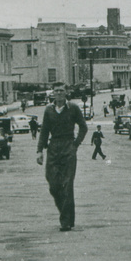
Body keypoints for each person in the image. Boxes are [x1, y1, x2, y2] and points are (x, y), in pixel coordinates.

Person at [36, 86, 88, 232]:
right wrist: (39, 151)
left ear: (66, 93)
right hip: (53, 147)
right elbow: (44, 131)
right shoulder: (48, 110)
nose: (58, 93)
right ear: (53, 93)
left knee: (67, 184)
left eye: (61, 90)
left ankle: (66, 221)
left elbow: (83, 127)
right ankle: (66, 215)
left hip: (68, 147)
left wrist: (75, 144)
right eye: (56, 91)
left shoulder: (73, 108)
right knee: (53, 184)